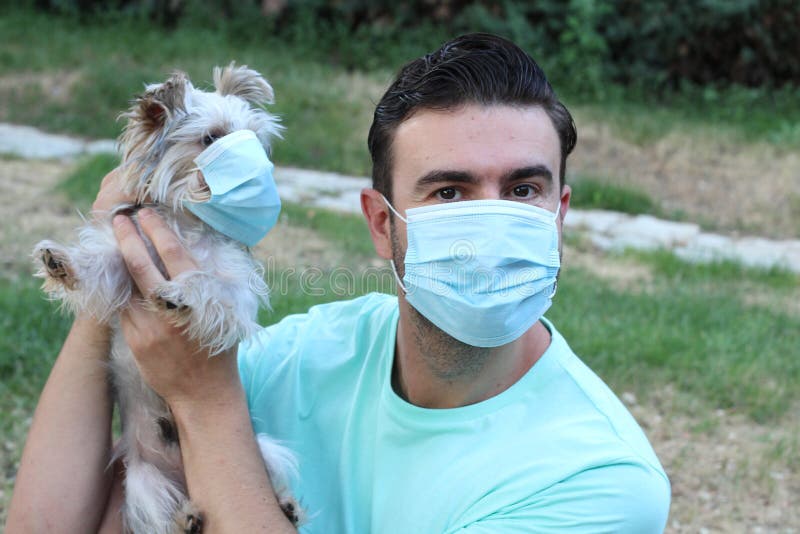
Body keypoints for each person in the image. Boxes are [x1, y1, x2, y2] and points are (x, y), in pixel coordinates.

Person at [7, 33, 670, 533]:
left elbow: (202, 395)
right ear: (382, 225)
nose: (487, 219)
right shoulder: (314, 353)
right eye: (449, 190)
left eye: (523, 187)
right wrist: (121, 260)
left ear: (559, 213)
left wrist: (207, 401)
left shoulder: (595, 482)